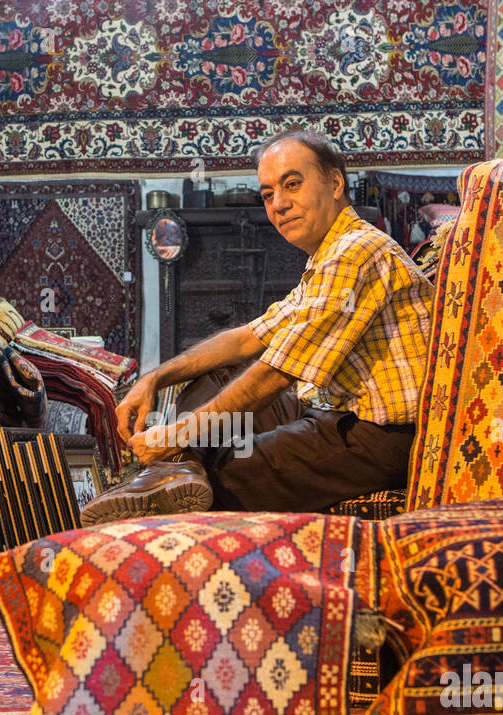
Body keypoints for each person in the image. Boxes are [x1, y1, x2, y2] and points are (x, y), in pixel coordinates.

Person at [79, 129, 434, 525]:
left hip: (376, 437)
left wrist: (177, 435)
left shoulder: (357, 251)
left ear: (335, 183)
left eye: (292, 185)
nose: (279, 204)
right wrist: (154, 379)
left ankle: (178, 477)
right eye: (267, 194)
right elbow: (248, 337)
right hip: (327, 409)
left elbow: (274, 376)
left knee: (223, 475)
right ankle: (176, 472)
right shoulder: (329, 255)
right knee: (215, 375)